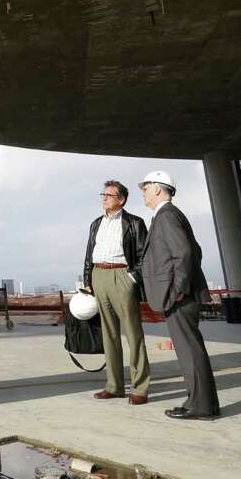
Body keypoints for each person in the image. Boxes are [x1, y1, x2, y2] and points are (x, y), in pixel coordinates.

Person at [138, 171, 220, 420]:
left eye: (146, 187)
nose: (143, 191)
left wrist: (178, 290)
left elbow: (184, 253)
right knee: (188, 350)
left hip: (179, 296)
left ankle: (202, 407)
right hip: (179, 294)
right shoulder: (167, 215)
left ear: (158, 189)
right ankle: (198, 401)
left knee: (189, 350)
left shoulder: (166, 216)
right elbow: (195, 250)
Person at [81, 179, 151, 404]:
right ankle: (114, 386)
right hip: (99, 276)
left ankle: (139, 389)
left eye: (108, 195)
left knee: (133, 334)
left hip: (122, 276)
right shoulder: (95, 223)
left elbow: (144, 256)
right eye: (102, 194)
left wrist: (132, 278)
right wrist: (88, 278)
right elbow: (89, 253)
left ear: (121, 199)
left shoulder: (134, 223)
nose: (103, 198)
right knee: (108, 334)